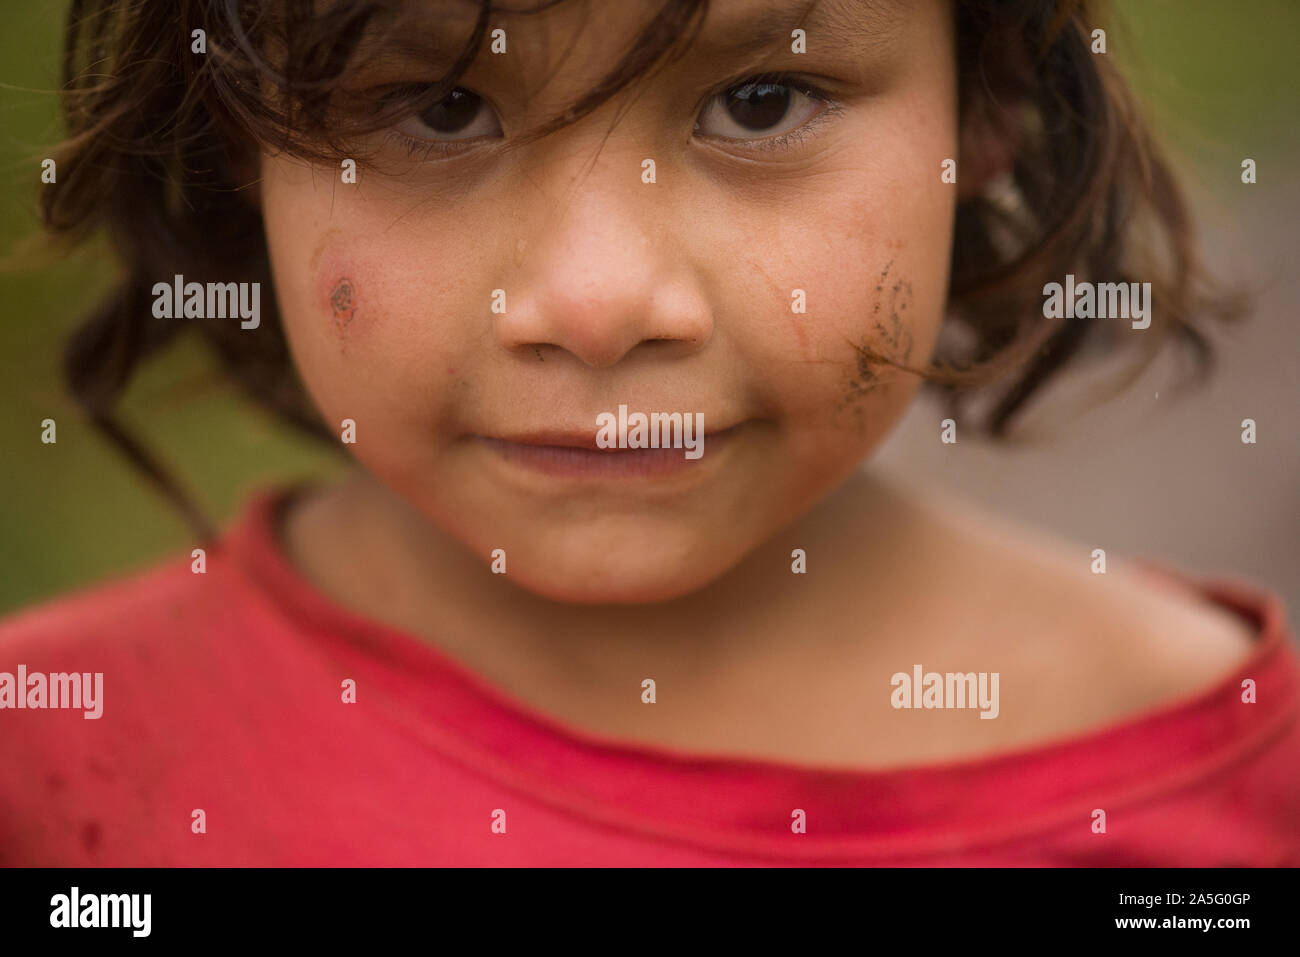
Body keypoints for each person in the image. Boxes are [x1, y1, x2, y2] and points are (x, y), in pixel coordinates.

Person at [1, 0, 1295, 865]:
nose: (599, 302)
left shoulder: (1242, 795)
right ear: (235, 134)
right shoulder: (51, 766)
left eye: (763, 101)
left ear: (986, 108)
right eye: (442, 108)